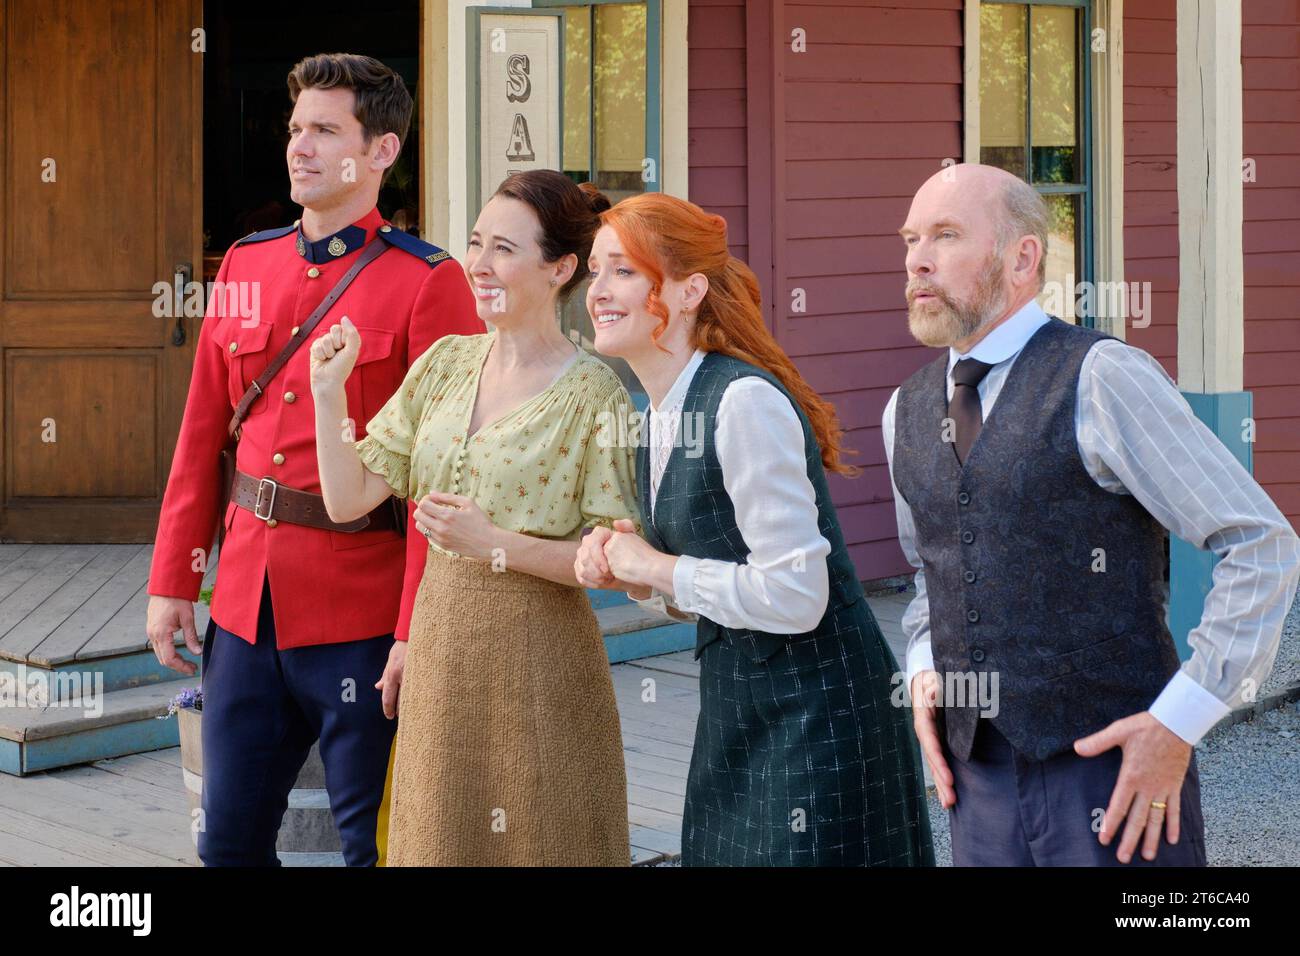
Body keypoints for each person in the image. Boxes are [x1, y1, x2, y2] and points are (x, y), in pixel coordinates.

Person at [887, 162, 1300, 866]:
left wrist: (1179, 724)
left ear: (1023, 258)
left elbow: (1259, 544)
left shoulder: (1103, 377)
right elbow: (934, 570)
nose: (916, 260)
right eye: (909, 239)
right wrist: (927, 667)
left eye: (946, 236)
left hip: (1114, 774)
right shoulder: (907, 408)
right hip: (975, 781)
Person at [144, 53, 482, 866]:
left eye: (326, 130)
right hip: (245, 610)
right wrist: (171, 581)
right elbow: (201, 437)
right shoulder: (249, 263)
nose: (300, 146)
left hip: (361, 620)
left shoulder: (428, 283)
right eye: (297, 129)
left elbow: (441, 479)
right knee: (226, 843)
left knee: (378, 848)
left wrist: (413, 631)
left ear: (382, 152)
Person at [574, 192, 935, 866]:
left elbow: (798, 596)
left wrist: (653, 566)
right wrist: (638, 577)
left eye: (623, 270)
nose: (599, 290)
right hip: (737, 713)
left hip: (821, 717)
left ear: (689, 290)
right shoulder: (655, 415)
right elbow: (710, 581)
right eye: (595, 271)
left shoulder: (742, 402)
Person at [310, 170, 638, 866]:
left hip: (542, 667)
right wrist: (327, 395)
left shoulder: (596, 394)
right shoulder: (444, 364)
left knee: (544, 841)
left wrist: (494, 544)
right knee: (434, 842)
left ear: (560, 269)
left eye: (504, 250)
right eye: (475, 243)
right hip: (440, 660)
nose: (479, 266)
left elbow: (615, 562)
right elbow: (348, 499)